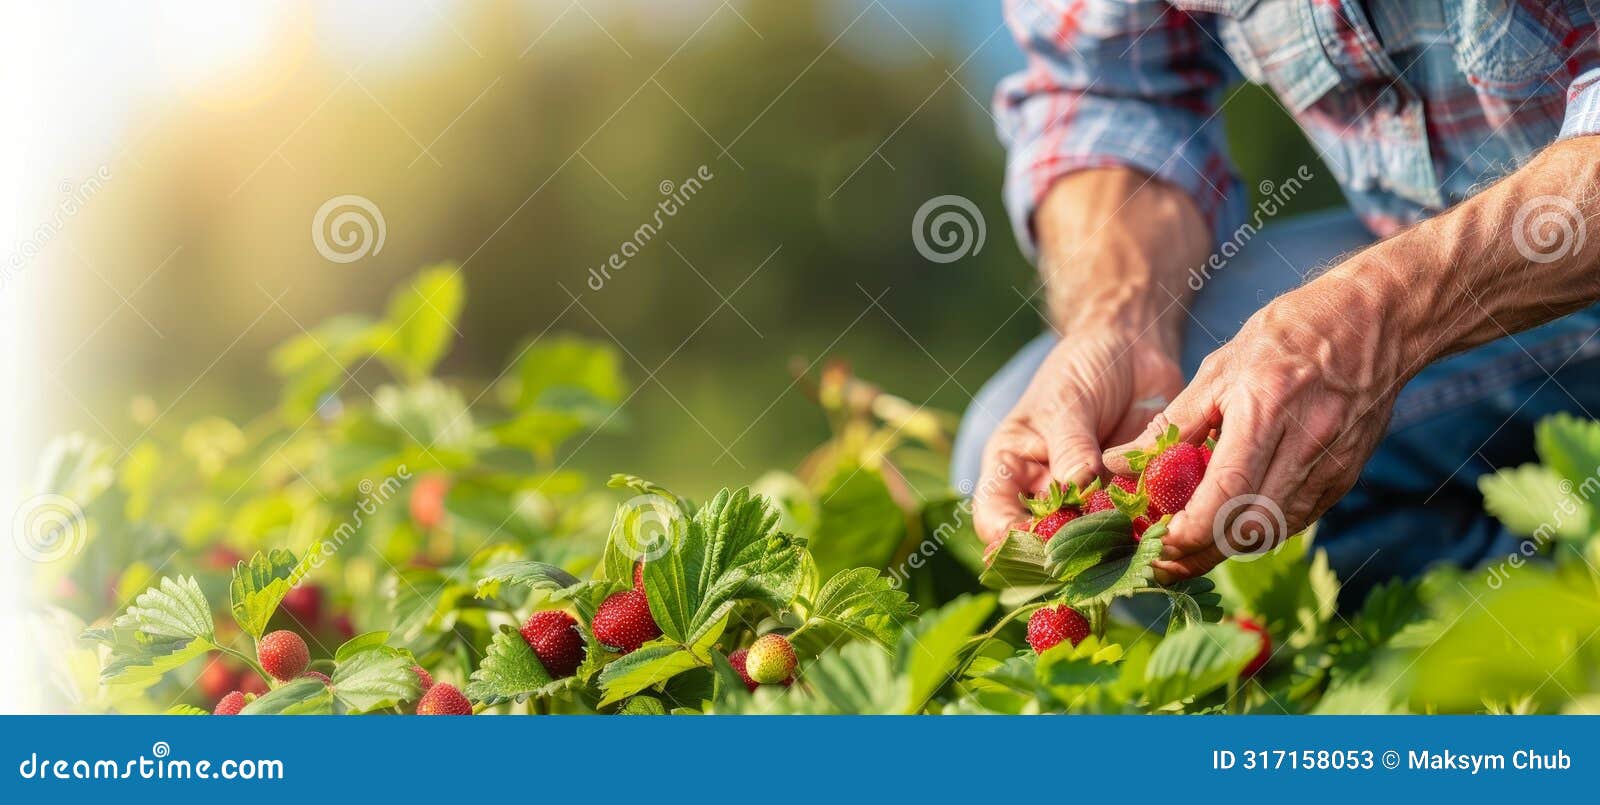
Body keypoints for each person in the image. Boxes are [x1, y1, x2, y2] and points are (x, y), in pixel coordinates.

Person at [954, 0, 1600, 603]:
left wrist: (1379, 312)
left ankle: (1549, 605)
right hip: (1435, 249)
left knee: (1224, 503)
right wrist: (1120, 318)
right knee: (1079, 479)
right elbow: (1109, 94)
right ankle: (1534, 588)